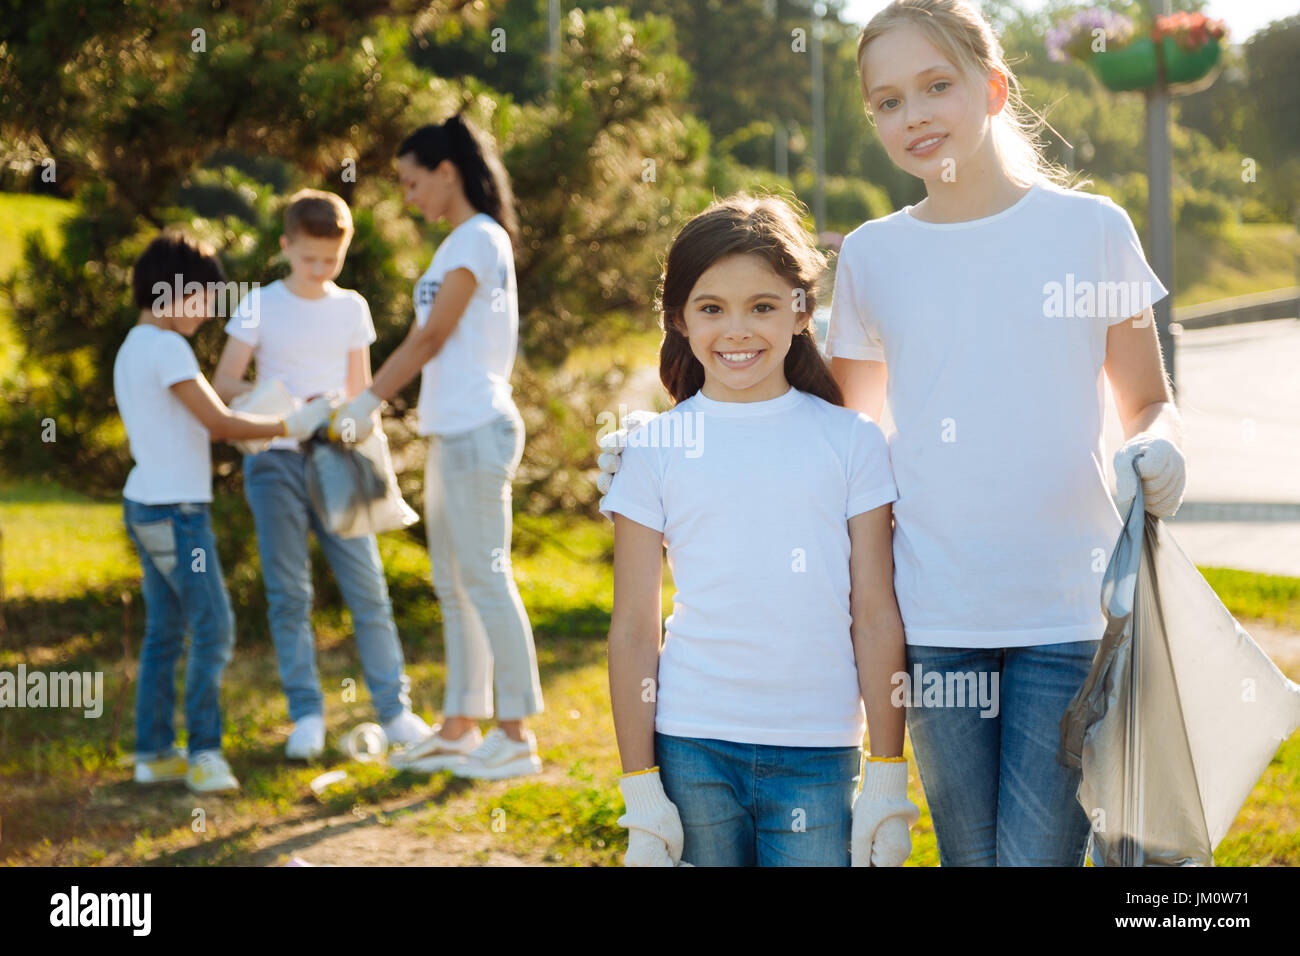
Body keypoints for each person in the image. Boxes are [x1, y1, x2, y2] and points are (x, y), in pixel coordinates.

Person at [599, 0, 1186, 868]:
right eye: (886, 101)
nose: (912, 116)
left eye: (935, 87)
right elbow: (839, 425)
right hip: (935, 614)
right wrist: (682, 440)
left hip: (1069, 609)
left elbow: (1146, 400)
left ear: (993, 88)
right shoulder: (875, 254)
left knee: (1035, 861)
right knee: (969, 857)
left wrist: (1164, 446)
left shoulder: (1089, 231)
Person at [601, 194, 919, 867]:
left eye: (763, 307)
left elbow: (876, 612)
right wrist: (640, 790)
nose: (737, 330)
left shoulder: (851, 441)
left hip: (818, 748)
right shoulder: (654, 448)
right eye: (712, 308)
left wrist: (887, 771)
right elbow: (633, 625)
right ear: (678, 318)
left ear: (802, 310)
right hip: (690, 744)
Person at [330, 113, 544, 780]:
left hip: (479, 430)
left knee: (483, 575)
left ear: (448, 173)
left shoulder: (477, 239)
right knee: (454, 586)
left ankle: (514, 736)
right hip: (453, 432)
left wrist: (368, 401)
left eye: (412, 181)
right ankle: (458, 728)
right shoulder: (458, 241)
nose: (406, 196)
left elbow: (431, 338)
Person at [212, 189, 432, 760]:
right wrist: (284, 408)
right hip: (276, 459)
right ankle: (306, 715)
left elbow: (364, 393)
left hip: (339, 457)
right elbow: (226, 385)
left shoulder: (351, 308)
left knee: (368, 589)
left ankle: (396, 710)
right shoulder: (260, 304)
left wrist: (347, 413)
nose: (319, 270)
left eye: (330, 260)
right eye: (309, 258)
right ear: (286, 246)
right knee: (290, 593)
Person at [115, 231, 333, 792]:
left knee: (165, 631)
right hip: (178, 514)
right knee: (213, 629)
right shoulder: (167, 348)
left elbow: (205, 415)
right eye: (203, 297)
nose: (209, 310)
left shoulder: (135, 345)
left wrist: (260, 410)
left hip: (146, 505)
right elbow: (219, 425)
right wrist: (290, 425)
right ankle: (205, 754)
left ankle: (154, 752)